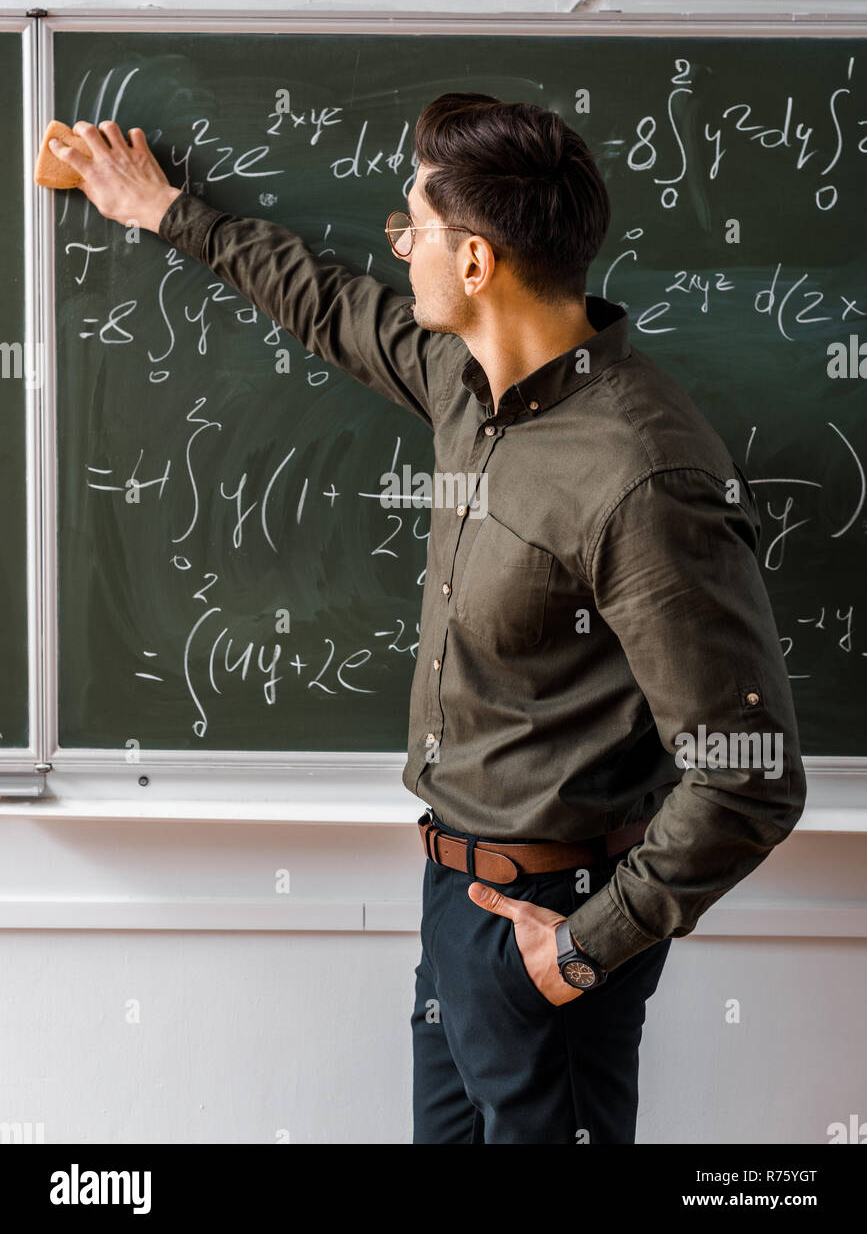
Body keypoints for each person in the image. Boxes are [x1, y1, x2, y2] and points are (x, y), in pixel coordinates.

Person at [50, 94, 806, 1145]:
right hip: (456, 905)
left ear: (478, 263)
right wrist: (168, 210)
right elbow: (325, 303)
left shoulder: (640, 476)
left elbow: (750, 772)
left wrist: (580, 951)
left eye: (414, 225)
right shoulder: (466, 378)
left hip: (551, 931)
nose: (398, 246)